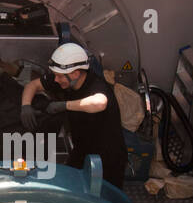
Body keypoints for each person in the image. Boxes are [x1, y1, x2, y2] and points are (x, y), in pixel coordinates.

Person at [20, 42, 127, 189]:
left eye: (59, 76)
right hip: (81, 151)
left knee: (103, 200)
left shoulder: (97, 86)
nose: (55, 80)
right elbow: (32, 85)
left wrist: (63, 106)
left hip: (106, 160)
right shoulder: (64, 80)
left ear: (75, 73)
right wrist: (25, 106)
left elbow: (100, 102)